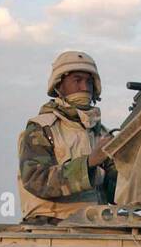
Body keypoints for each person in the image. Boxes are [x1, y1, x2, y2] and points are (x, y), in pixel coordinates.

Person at [17, 51, 115, 223]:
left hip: (96, 225)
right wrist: (89, 163)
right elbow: (36, 180)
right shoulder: (41, 128)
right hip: (49, 225)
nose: (85, 88)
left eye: (89, 82)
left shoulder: (102, 134)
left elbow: (119, 192)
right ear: (59, 85)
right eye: (77, 80)